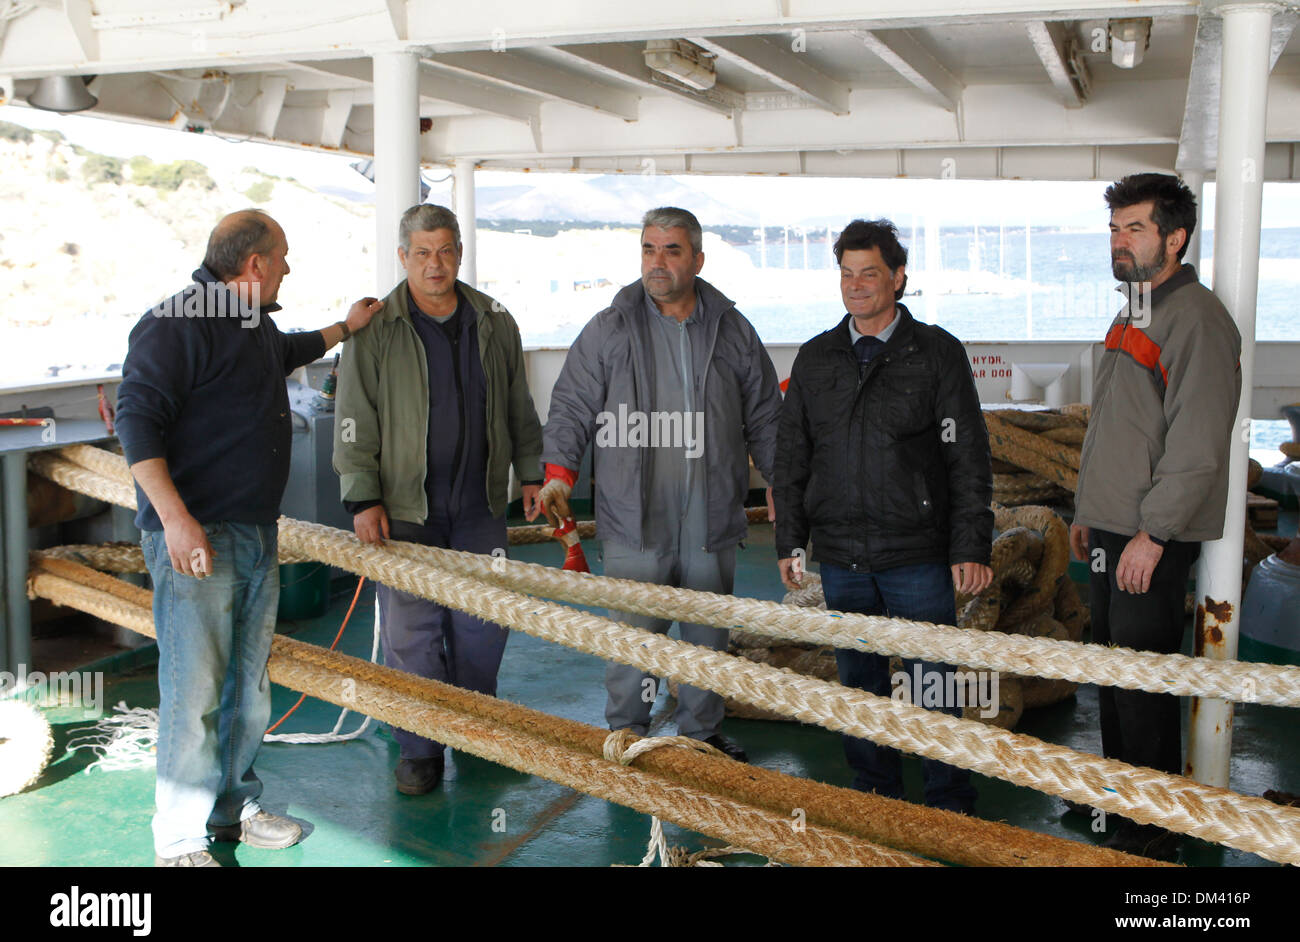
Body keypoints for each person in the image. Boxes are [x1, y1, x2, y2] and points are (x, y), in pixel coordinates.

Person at [116, 209, 382, 866]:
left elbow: (290, 349)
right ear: (255, 264)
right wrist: (177, 520)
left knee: (247, 682)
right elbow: (136, 422)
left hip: (254, 533)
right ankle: (178, 841)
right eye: (283, 257)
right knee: (194, 687)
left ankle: (233, 805)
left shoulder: (250, 324)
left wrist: (345, 328)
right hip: (198, 540)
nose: (288, 267)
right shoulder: (172, 323)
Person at [539, 207, 782, 762]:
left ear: (697, 259)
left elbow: (766, 415)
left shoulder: (732, 329)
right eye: (649, 249)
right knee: (633, 641)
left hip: (710, 513)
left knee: (707, 635)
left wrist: (779, 482)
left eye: (672, 250)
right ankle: (627, 733)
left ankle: (700, 736)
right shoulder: (610, 327)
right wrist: (559, 471)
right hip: (635, 515)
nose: (658, 262)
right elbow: (573, 403)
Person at [774, 218, 993, 812]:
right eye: (846, 273)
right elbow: (792, 457)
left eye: (869, 273)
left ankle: (949, 798)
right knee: (859, 686)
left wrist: (970, 546)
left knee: (934, 680)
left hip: (917, 552)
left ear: (898, 277)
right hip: (842, 554)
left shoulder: (937, 353)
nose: (856, 285)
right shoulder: (817, 359)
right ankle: (877, 796)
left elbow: (967, 455)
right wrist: (790, 540)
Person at [333, 203, 544, 795]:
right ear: (403, 257)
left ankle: (474, 729)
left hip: (478, 504)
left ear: (459, 254)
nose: (435, 264)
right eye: (422, 252)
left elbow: (517, 404)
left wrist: (530, 473)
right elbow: (353, 420)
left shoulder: (494, 320)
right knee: (411, 632)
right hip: (404, 509)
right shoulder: (374, 329)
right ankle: (420, 748)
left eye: (446, 250)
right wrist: (361, 498)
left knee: (483, 624)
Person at [1069, 173, 1241, 860]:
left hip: (1150, 536)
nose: (1119, 240)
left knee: (1143, 680)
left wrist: (1153, 534)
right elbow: (1114, 425)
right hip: (1113, 528)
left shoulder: (1193, 318)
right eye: (1114, 228)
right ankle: (1121, 800)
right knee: (1114, 674)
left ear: (1175, 237)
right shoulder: (1133, 310)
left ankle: (1152, 829)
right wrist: (1090, 511)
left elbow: (1197, 445)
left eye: (1134, 228)